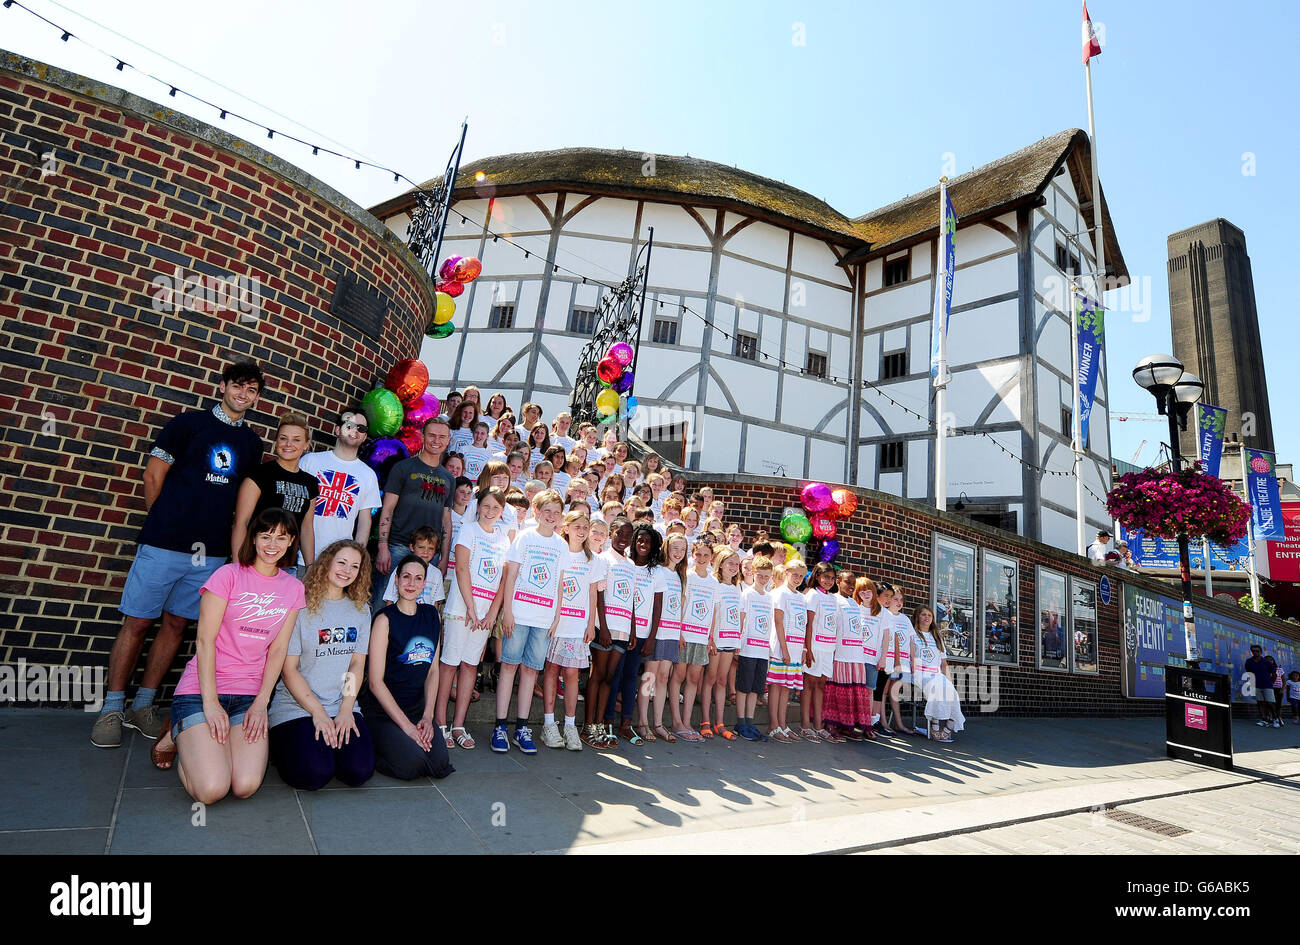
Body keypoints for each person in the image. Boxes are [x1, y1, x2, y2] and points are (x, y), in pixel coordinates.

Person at [94, 361, 266, 750]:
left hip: (210, 556)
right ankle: (111, 708)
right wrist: (163, 523)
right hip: (163, 544)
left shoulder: (253, 445)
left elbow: (243, 501)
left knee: (176, 625)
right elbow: (153, 475)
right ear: (223, 386)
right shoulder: (187, 424)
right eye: (238, 386)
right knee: (137, 623)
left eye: (252, 390)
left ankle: (142, 705)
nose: (244, 394)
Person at [164, 508, 304, 802]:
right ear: (253, 538)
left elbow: (278, 650)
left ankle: (202, 742)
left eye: (281, 537)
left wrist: (261, 703)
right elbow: (204, 641)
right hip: (202, 691)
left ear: (292, 541)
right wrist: (211, 703)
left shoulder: (293, 588)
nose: (272, 545)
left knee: (245, 786)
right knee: (212, 789)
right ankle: (180, 734)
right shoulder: (227, 575)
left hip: (249, 696)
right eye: (266, 536)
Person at [268, 540, 374, 790]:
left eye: (355, 566)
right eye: (342, 562)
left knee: (358, 772)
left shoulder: (361, 611)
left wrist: (347, 709)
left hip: (341, 704)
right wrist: (318, 712)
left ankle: (327, 747)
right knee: (314, 774)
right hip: (298, 707)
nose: (347, 571)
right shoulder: (300, 606)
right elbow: (289, 669)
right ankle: (283, 745)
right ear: (327, 562)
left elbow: (357, 664)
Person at [361, 555, 454, 779]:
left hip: (416, 709)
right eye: (406, 577)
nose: (411, 584)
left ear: (424, 584)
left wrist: (427, 717)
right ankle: (370, 745)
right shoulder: (385, 620)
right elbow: (374, 682)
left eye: (418, 578)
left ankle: (405, 742)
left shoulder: (432, 615)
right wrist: (407, 728)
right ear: (396, 579)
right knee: (412, 765)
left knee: (439, 763)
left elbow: (432, 671)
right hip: (384, 712)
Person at [494, 490, 568, 753]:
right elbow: (511, 575)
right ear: (536, 511)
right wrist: (508, 611)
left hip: (544, 619)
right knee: (509, 667)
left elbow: (559, 583)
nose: (551, 516)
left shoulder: (561, 544)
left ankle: (521, 727)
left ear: (561, 517)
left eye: (556, 512)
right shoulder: (525, 537)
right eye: (546, 511)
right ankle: (500, 725)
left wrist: (557, 616)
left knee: (530, 671)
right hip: (520, 614)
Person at [436, 486, 509, 749]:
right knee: (449, 665)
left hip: (484, 617)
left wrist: (491, 612)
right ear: (478, 506)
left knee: (470, 666)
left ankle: (459, 725)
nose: (490, 512)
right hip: (461, 610)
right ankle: (440, 723)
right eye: (487, 506)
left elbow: (503, 580)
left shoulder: (503, 537)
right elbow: (462, 569)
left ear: (502, 512)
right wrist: (470, 607)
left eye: (496, 508)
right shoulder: (468, 530)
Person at [375, 417, 454, 610]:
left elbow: (446, 520)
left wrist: (443, 558)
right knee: (383, 604)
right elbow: (387, 509)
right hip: (398, 547)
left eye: (442, 437)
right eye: (432, 435)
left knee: (418, 609)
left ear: (448, 440)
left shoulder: (449, 478)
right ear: (423, 436)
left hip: (430, 554)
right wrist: (383, 546)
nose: (436, 440)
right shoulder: (403, 468)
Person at [538, 509, 599, 751]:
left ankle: (571, 725)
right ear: (566, 528)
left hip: (577, 624)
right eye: (577, 526)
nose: (582, 531)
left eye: (585, 527)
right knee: (551, 670)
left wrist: (590, 623)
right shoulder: (558, 552)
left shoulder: (592, 559)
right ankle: (549, 724)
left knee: (572, 673)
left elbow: (593, 593)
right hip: (556, 622)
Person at [231, 412, 318, 571]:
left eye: (296, 440)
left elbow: (306, 527)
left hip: (287, 567)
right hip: (253, 563)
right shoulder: (259, 475)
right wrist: (238, 567)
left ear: (306, 444)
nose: (288, 444)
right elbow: (240, 523)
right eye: (283, 438)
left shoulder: (310, 483)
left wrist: (310, 567)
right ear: (276, 441)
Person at [298, 406, 381, 565]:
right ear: (337, 429)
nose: (354, 430)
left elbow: (364, 522)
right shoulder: (310, 461)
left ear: (364, 437)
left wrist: (356, 557)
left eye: (361, 428)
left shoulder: (368, 475)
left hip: (340, 562)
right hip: (302, 557)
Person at [586, 518, 635, 748]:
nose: (624, 538)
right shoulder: (603, 559)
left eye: (628, 535)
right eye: (620, 533)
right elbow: (600, 595)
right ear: (611, 534)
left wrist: (633, 629)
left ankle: (599, 726)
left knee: (609, 677)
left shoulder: (631, 564)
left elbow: (632, 599)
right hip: (605, 627)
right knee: (597, 675)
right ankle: (588, 727)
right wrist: (602, 627)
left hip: (623, 629)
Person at [644, 533, 688, 743]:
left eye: (682, 549)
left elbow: (677, 606)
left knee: (663, 677)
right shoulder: (657, 571)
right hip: (656, 632)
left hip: (671, 633)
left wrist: (679, 632)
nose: (678, 553)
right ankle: (643, 722)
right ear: (666, 548)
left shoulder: (680, 576)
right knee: (649, 677)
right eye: (675, 548)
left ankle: (658, 724)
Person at [672, 540, 717, 741]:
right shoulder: (687, 576)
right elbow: (682, 603)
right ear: (693, 555)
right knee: (678, 676)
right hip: (685, 634)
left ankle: (687, 721)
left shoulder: (714, 582)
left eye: (705, 556)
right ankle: (676, 721)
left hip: (701, 637)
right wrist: (679, 631)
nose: (701, 559)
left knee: (692, 679)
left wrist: (710, 636)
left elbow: (714, 610)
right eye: (698, 554)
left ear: (711, 558)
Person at [824, 571, 876, 741]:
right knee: (837, 691)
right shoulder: (833, 599)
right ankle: (832, 724)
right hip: (840, 653)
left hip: (856, 655)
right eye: (848, 582)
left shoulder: (854, 603)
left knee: (853, 693)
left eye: (853, 583)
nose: (851, 586)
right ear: (838, 582)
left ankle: (848, 725)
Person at [705, 547, 744, 740]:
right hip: (716, 640)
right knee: (710, 679)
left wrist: (737, 639)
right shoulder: (716, 585)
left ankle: (719, 723)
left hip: (730, 639)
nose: (734, 567)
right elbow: (713, 613)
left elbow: (737, 616)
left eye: (737, 564)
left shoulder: (737, 587)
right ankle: (705, 721)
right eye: (730, 563)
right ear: (720, 564)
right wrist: (710, 637)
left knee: (722, 681)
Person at [800, 562, 841, 742]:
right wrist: (807, 649)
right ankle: (805, 726)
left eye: (832, 578)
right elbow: (808, 624)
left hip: (828, 648)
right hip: (815, 646)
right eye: (825, 577)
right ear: (817, 576)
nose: (828, 581)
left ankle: (818, 725)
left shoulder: (833, 598)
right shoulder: (812, 595)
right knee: (808, 684)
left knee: (821, 686)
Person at [766, 560, 807, 742]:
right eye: (794, 574)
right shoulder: (780, 594)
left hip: (797, 648)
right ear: (786, 573)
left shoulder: (800, 597)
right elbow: (778, 622)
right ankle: (773, 724)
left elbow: (802, 624)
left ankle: (783, 724)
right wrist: (784, 649)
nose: (797, 578)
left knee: (786, 688)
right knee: (777, 686)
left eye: (801, 575)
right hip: (783, 648)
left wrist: (803, 647)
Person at [736, 555, 775, 741]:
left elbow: (770, 624)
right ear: (753, 573)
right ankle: (740, 721)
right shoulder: (747, 594)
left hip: (762, 649)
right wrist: (738, 643)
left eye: (767, 576)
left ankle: (750, 722)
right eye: (760, 575)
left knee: (755, 689)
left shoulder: (770, 598)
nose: (763, 579)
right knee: (744, 686)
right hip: (748, 648)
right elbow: (741, 619)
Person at [913, 605, 964, 741]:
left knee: (951, 691)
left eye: (929, 615)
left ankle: (948, 728)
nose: (927, 617)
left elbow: (943, 664)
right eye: (924, 614)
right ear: (918, 617)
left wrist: (949, 680)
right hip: (921, 673)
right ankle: (934, 727)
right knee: (937, 688)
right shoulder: (912, 634)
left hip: (936, 674)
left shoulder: (937, 637)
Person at [378, 527, 445, 609]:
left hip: (424, 619)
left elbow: (436, 603)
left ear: (435, 551)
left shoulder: (436, 573)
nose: (425, 552)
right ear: (412, 547)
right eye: (421, 547)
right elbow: (390, 598)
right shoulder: (401, 568)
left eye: (430, 548)